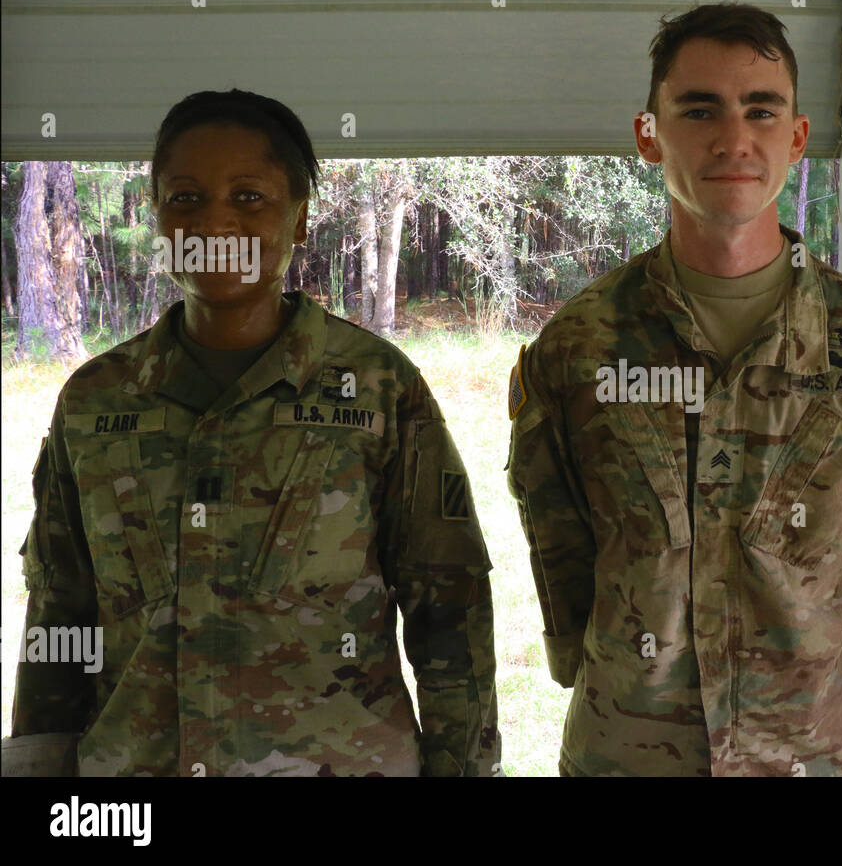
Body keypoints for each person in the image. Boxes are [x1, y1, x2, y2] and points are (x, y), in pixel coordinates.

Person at [5, 89, 500, 777]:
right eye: (185, 198)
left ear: (299, 218)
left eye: (248, 197)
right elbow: (61, 612)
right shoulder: (95, 401)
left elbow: (448, 605)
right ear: (157, 216)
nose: (214, 223)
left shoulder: (380, 389)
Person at [507, 2, 842, 777]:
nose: (734, 138)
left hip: (806, 751)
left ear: (797, 137)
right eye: (698, 110)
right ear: (648, 134)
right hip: (627, 750)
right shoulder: (581, 346)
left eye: (761, 110)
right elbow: (557, 545)